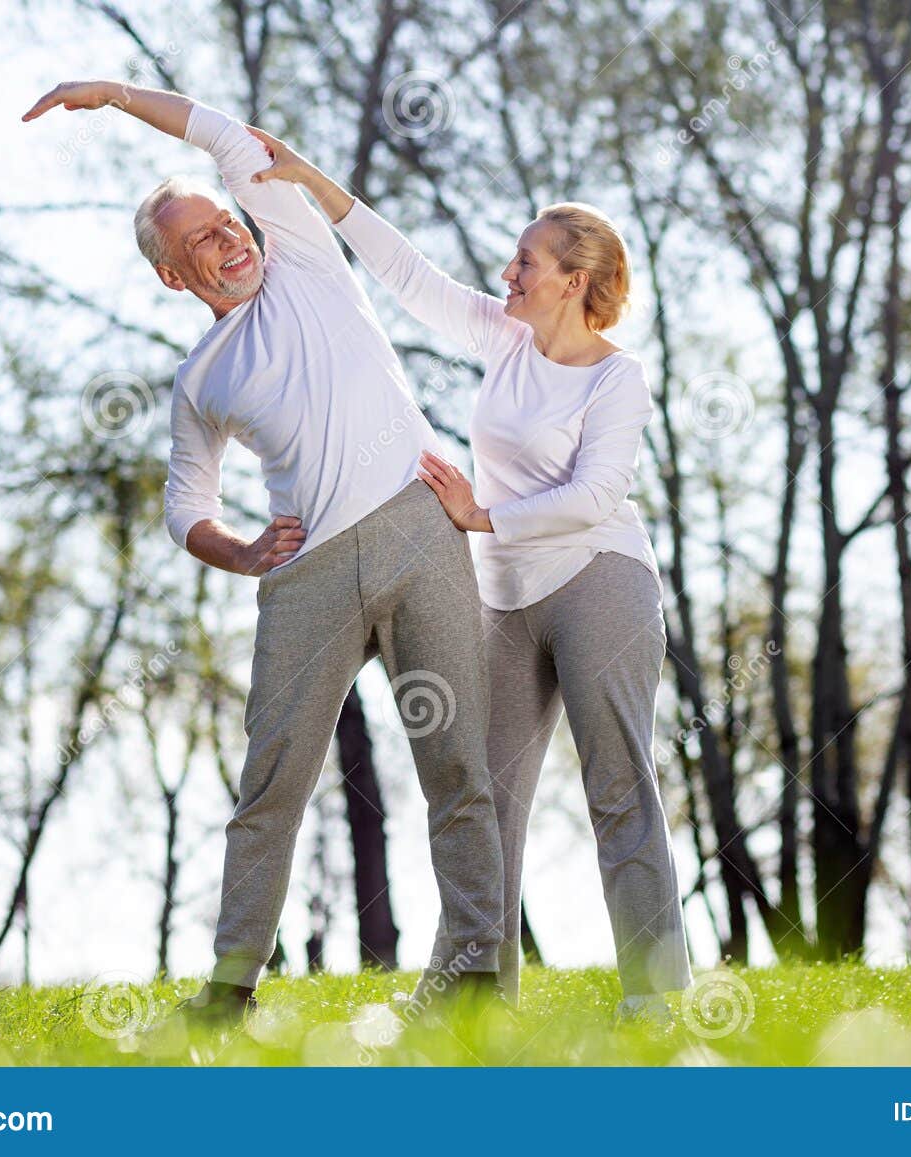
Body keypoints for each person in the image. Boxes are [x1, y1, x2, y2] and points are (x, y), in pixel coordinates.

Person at [21, 81, 506, 1022]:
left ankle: (474, 980)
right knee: (271, 783)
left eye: (226, 222)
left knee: (458, 763)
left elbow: (227, 136)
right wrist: (241, 550)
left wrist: (113, 97)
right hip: (306, 578)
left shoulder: (305, 256)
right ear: (174, 275)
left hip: (417, 530)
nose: (229, 238)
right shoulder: (200, 379)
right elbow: (183, 504)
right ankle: (231, 988)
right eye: (201, 238)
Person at [243, 126, 692, 1021]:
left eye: (527, 260)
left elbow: (595, 493)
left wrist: (481, 513)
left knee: (617, 784)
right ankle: (471, 997)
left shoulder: (617, 378)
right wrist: (314, 183)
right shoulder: (505, 337)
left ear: (574, 279)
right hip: (508, 596)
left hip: (599, 577)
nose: (509, 271)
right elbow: (407, 275)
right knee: (480, 799)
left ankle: (657, 1006)